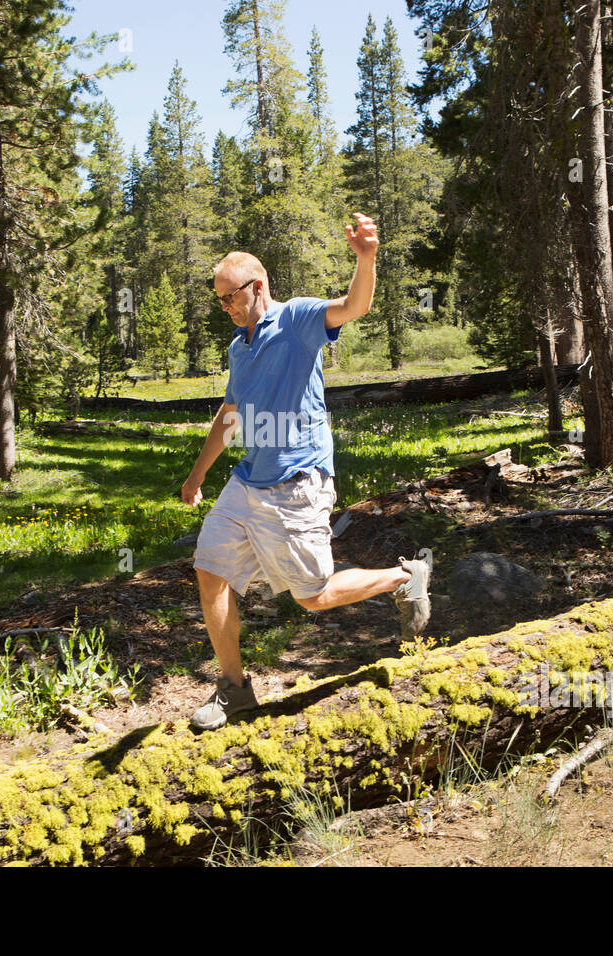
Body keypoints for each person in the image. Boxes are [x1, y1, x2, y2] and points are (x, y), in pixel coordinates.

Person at [179, 212, 432, 731]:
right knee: (211, 570)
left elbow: (354, 306)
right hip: (249, 478)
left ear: (259, 286)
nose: (224, 306)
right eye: (219, 299)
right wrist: (198, 474)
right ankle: (235, 690)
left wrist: (366, 258)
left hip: (297, 483)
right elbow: (231, 415)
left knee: (313, 597)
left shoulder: (296, 321)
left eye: (230, 296)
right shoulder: (238, 346)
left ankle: (406, 577)